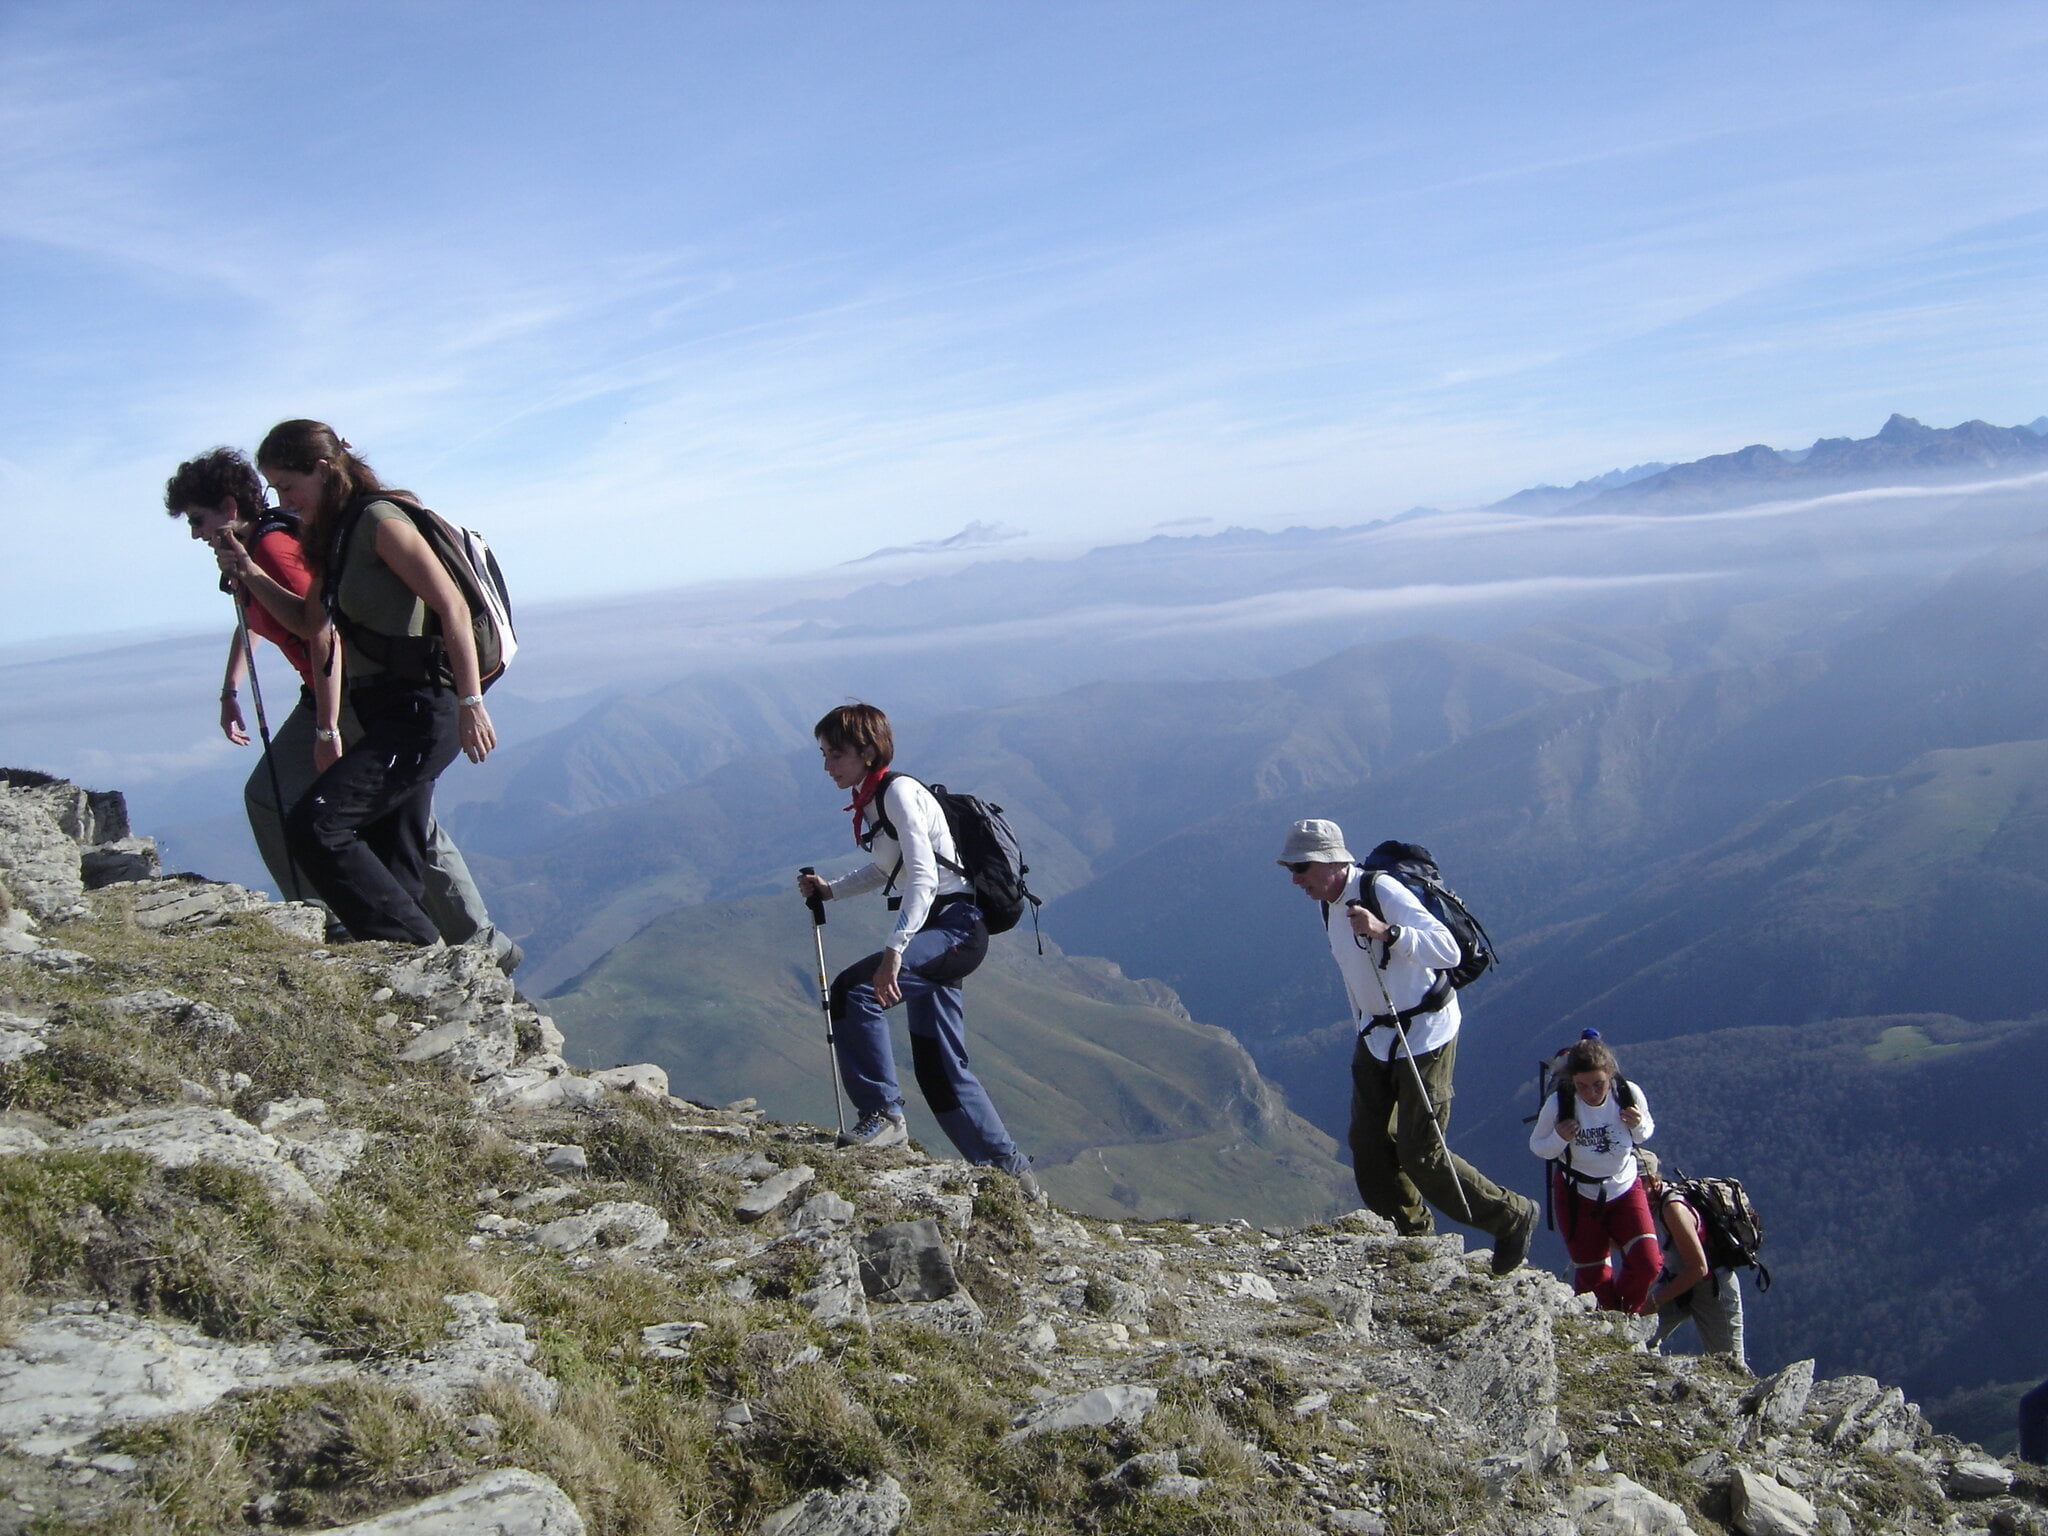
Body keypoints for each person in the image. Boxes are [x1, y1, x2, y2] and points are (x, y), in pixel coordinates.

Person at [164, 447, 519, 971]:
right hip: (337, 697)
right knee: (386, 816)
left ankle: (359, 922)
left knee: (372, 816)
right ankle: (412, 929)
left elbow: (321, 625)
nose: (195, 533)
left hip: (351, 696)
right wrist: (230, 688)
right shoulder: (257, 551)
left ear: (227, 503)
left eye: (198, 519)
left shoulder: (278, 546)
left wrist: (330, 724)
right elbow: (260, 618)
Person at [795, 703, 1042, 1200]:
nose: (827, 766)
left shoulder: (900, 793)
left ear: (866, 751)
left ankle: (883, 1117)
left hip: (956, 927)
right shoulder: (872, 800)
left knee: (855, 991)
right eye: (823, 754)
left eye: (836, 754)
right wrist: (831, 890)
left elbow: (926, 877)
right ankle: (1011, 1177)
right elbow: (891, 872)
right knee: (939, 1066)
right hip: (941, 928)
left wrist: (894, 950)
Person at [1280, 818, 1538, 1273]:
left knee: (1422, 1151)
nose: (1295, 879)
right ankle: (1410, 1239)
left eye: (1301, 867)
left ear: (1331, 862)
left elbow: (1448, 950)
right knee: (1369, 1144)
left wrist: (1387, 932)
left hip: (1425, 1036)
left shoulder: (1383, 892)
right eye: (1292, 869)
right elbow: (1355, 973)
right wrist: (1363, 1023)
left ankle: (1511, 1217)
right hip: (1377, 1038)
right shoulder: (1330, 904)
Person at [1528, 1034, 1662, 1313]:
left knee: (1648, 1264)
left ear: (1610, 1075)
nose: (1591, 1093)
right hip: (1578, 1195)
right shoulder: (1559, 1104)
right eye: (1582, 1086)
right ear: (1572, 1081)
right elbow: (1538, 1147)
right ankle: (1608, 1327)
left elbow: (1645, 1131)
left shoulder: (1627, 1093)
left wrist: (1637, 1125)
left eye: (1598, 1084)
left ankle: (1623, 1316)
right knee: (1593, 1280)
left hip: (1624, 1189)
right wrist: (1559, 1138)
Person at [1635, 1149, 1747, 1369]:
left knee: (1730, 1366)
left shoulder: (1672, 1209)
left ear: (1654, 1180)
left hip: (1713, 1287)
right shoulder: (1648, 1204)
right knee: (1636, 1334)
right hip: (1677, 1280)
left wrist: (1655, 1302)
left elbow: (1698, 1267)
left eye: (1638, 1183)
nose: (1631, 1190)